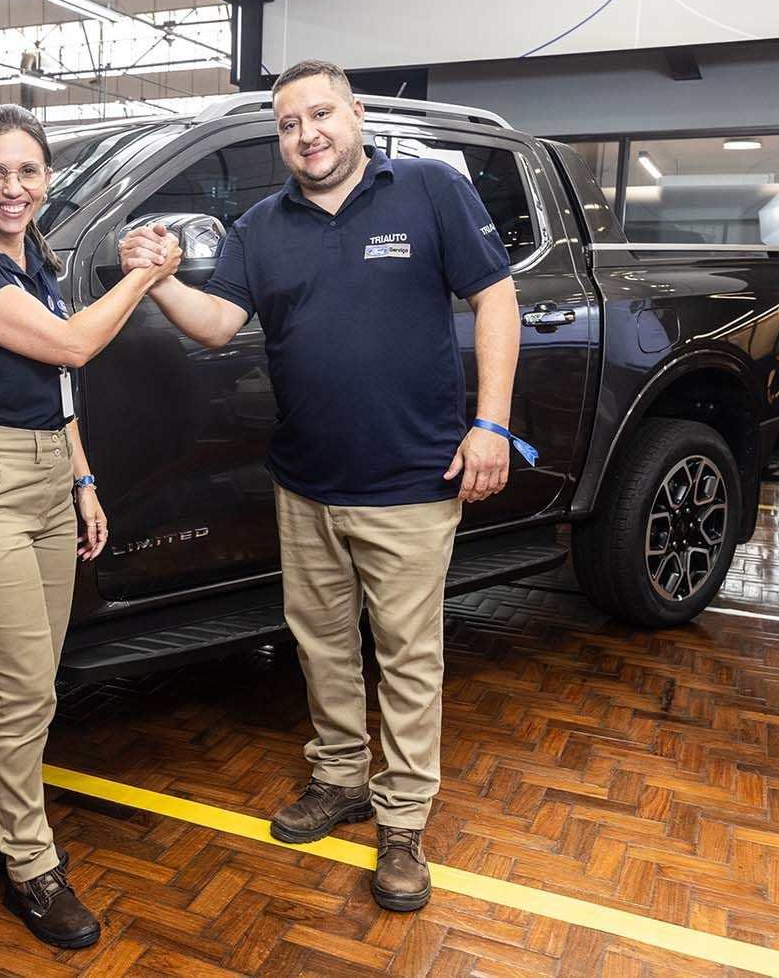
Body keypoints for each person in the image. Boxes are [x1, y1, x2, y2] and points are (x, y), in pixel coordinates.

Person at [120, 60, 521, 913]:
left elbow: (495, 297)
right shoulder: (261, 226)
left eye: (320, 114)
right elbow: (217, 325)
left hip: (413, 479)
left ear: (356, 113)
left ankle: (403, 821)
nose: (307, 134)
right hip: (304, 483)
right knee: (322, 645)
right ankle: (340, 778)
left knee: (408, 658)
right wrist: (158, 283)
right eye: (290, 123)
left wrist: (489, 424)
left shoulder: (426, 191)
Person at [0, 104, 180, 949]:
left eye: (27, 172)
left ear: (45, 181)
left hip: (43, 479)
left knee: (21, 681)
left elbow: (53, 391)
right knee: (27, 686)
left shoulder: (35, 256)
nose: (12, 187)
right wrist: (143, 277)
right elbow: (69, 350)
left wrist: (82, 480)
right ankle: (29, 866)